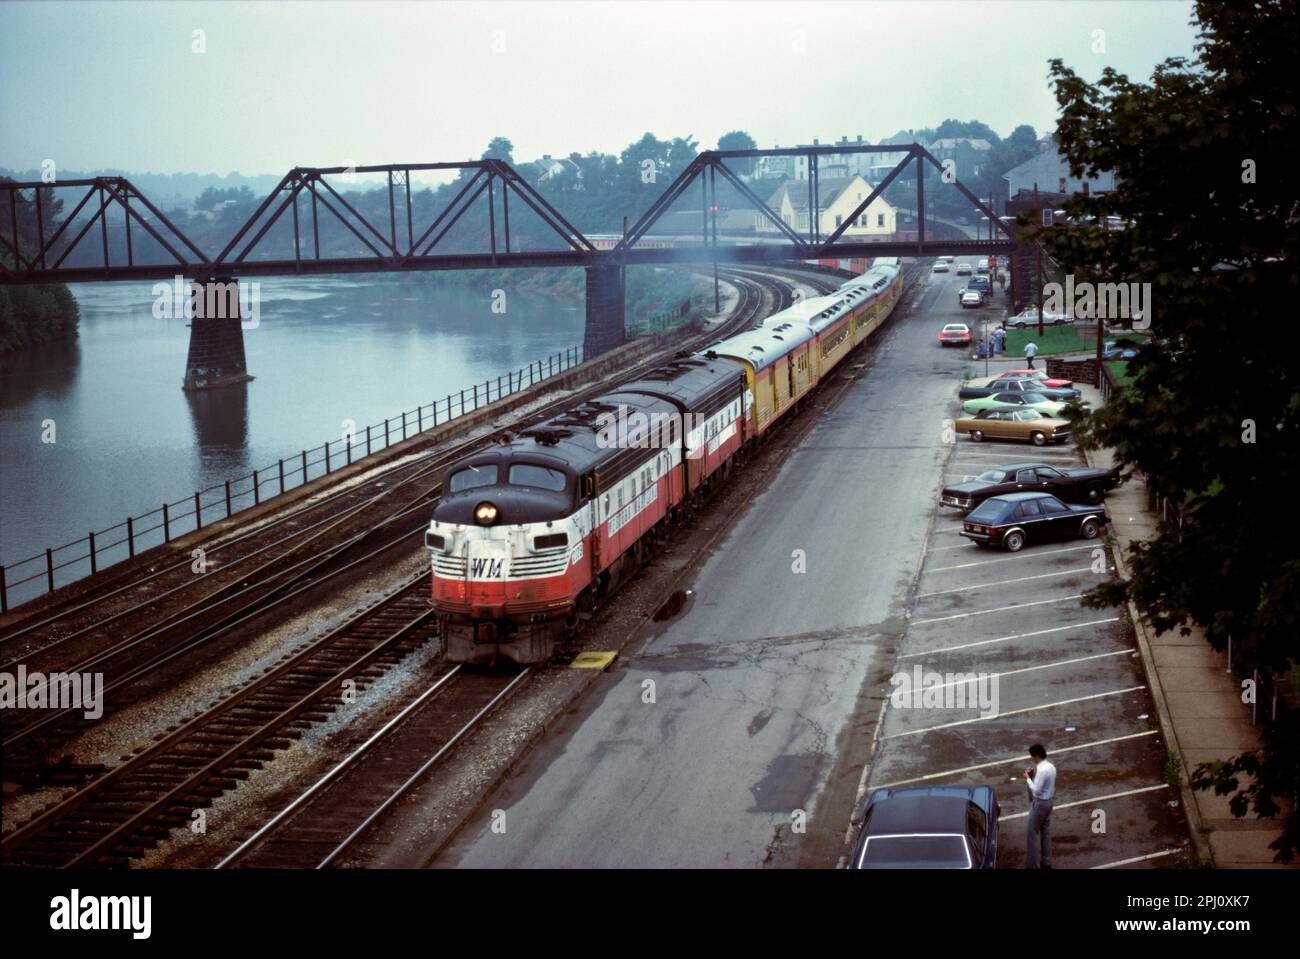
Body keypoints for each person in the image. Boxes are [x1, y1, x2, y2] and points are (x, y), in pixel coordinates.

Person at [1024, 743, 1056, 868]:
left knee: (1032, 833)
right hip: (1049, 802)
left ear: (1036, 756)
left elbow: (1036, 790)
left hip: (1040, 804)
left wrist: (1028, 778)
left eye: (1032, 756)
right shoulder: (1051, 767)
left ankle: (1033, 865)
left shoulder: (1042, 770)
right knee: (1045, 832)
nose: (1032, 759)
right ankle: (1046, 861)